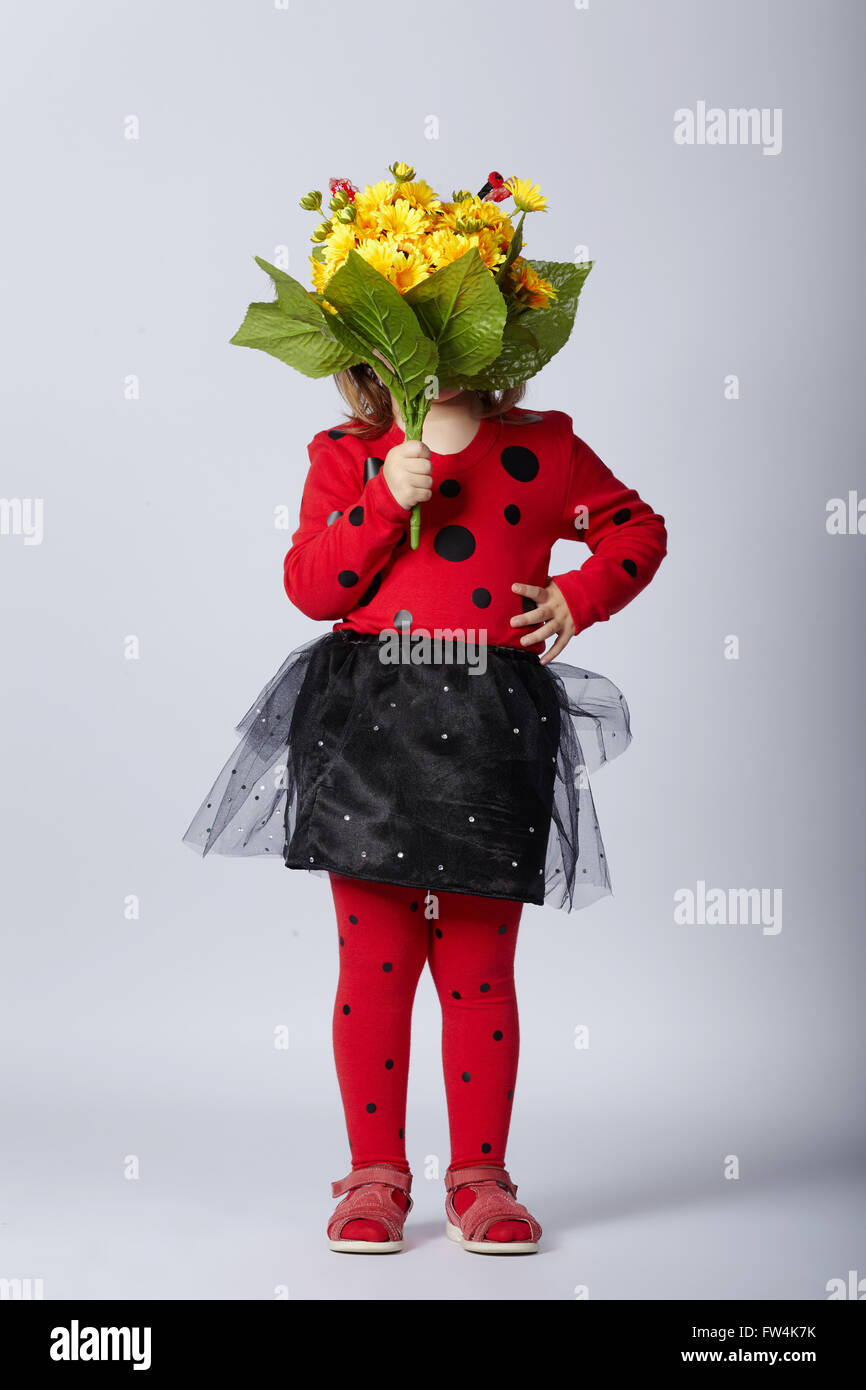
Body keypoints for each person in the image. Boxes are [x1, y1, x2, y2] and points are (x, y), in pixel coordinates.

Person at [183, 365, 667, 1254]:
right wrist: (378, 501)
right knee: (375, 967)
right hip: (370, 726)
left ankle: (479, 1177)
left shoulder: (544, 451)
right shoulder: (348, 454)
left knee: (479, 972)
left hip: (489, 730)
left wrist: (578, 596)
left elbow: (636, 528)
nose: (438, 344)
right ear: (371, 346)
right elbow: (312, 589)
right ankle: (375, 1174)